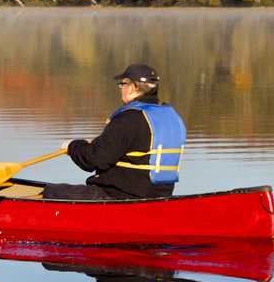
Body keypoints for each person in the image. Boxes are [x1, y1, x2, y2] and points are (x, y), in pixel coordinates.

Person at [41, 62, 185, 201]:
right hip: (160, 196)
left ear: (133, 87)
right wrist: (98, 143)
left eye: (122, 84)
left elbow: (95, 160)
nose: (121, 88)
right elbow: (133, 145)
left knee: (51, 191)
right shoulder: (172, 117)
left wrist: (72, 147)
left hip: (119, 195)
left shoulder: (129, 119)